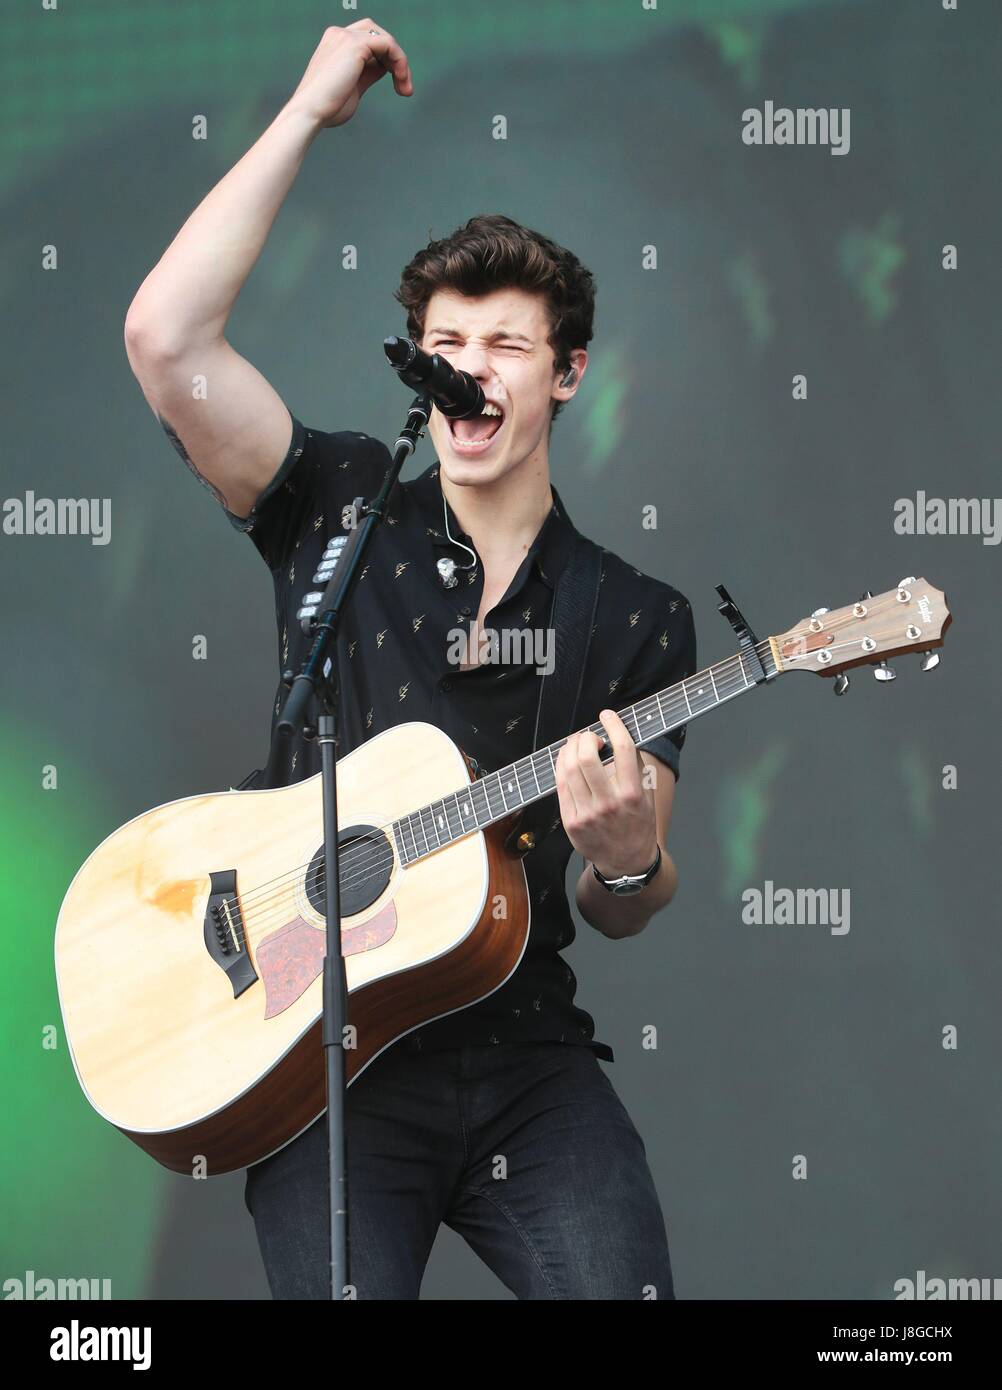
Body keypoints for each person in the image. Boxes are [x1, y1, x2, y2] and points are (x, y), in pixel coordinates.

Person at [124, 20, 697, 1300]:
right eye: (449, 345)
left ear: (568, 376)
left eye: (507, 346)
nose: (472, 370)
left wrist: (630, 857)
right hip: (328, 1057)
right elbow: (166, 340)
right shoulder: (338, 500)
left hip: (524, 1051)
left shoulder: (639, 616)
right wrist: (306, 115)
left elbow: (624, 903)